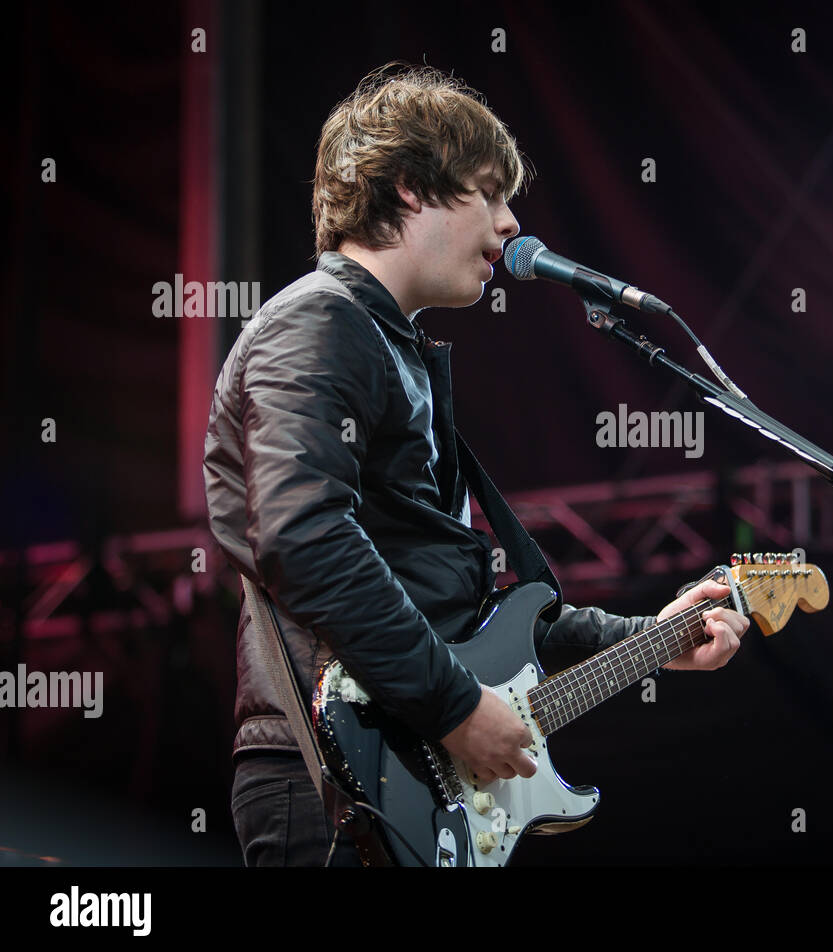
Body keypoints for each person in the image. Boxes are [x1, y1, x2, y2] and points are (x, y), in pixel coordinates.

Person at [202, 61, 749, 866]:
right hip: (335, 773)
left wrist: (653, 637)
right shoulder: (316, 324)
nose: (510, 223)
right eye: (489, 192)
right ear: (410, 188)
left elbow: (474, 619)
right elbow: (304, 536)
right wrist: (456, 707)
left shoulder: (396, 351)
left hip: (400, 772)